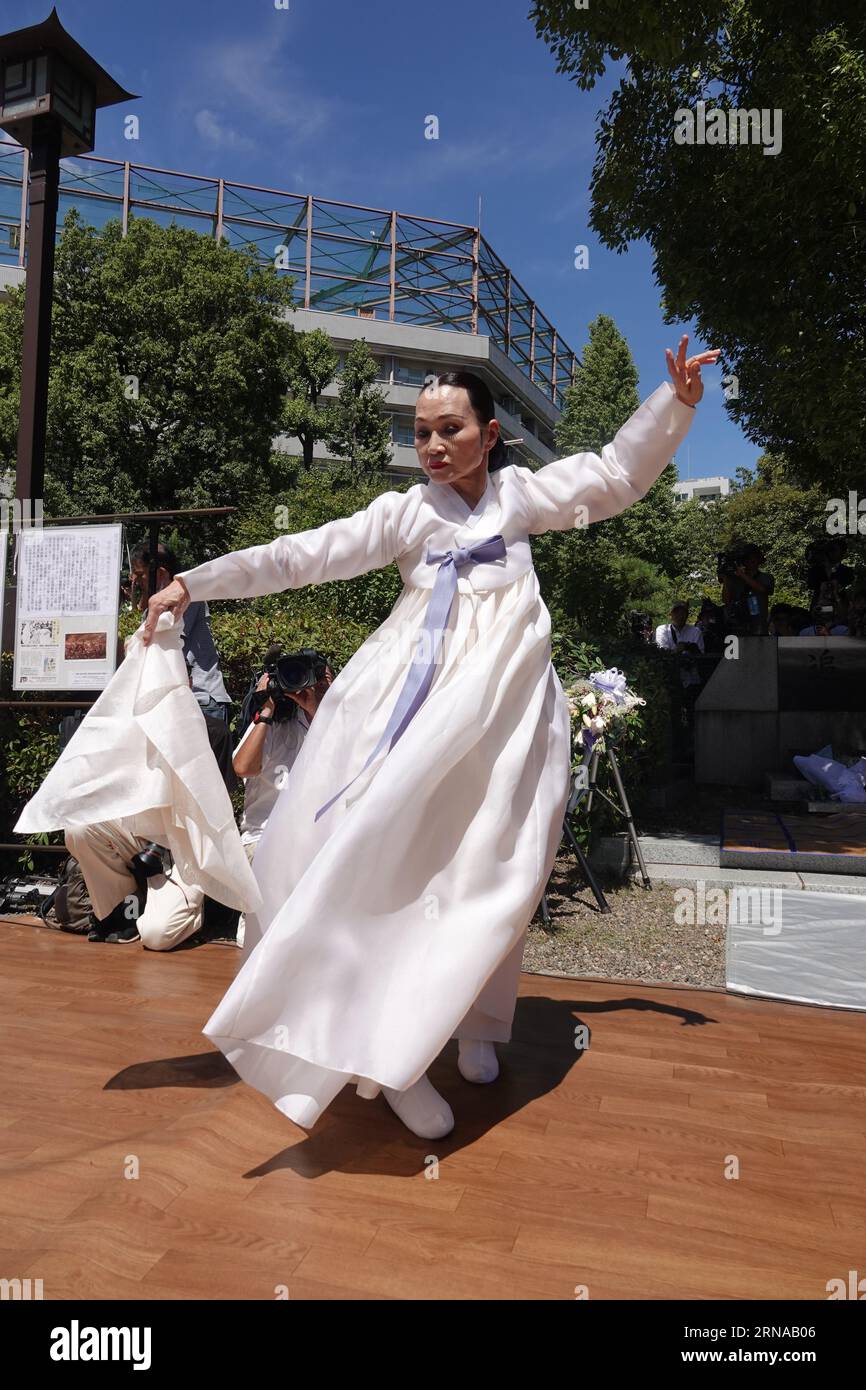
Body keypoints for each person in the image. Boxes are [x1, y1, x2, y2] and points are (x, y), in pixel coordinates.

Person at [143, 336, 719, 1140]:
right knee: (395, 865)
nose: (434, 445)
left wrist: (676, 404)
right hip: (408, 717)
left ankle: (481, 1024)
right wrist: (193, 583)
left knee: (501, 873)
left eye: (450, 428)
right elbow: (302, 556)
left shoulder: (520, 498)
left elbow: (617, 476)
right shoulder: (404, 513)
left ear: (489, 435)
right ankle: (391, 1058)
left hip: (507, 726)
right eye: (421, 432)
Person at [234, 648, 333, 944]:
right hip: (263, 839)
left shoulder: (335, 724)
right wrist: (266, 709)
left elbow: (346, 763)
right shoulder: (271, 726)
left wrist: (317, 710)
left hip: (313, 839)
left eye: (314, 677)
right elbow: (243, 767)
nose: (303, 685)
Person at [130, 543, 233, 723]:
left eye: (139, 575)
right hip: (179, 701)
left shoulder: (186, 598)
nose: (136, 581)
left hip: (202, 700)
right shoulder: (157, 605)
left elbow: (162, 640)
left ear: (161, 573)